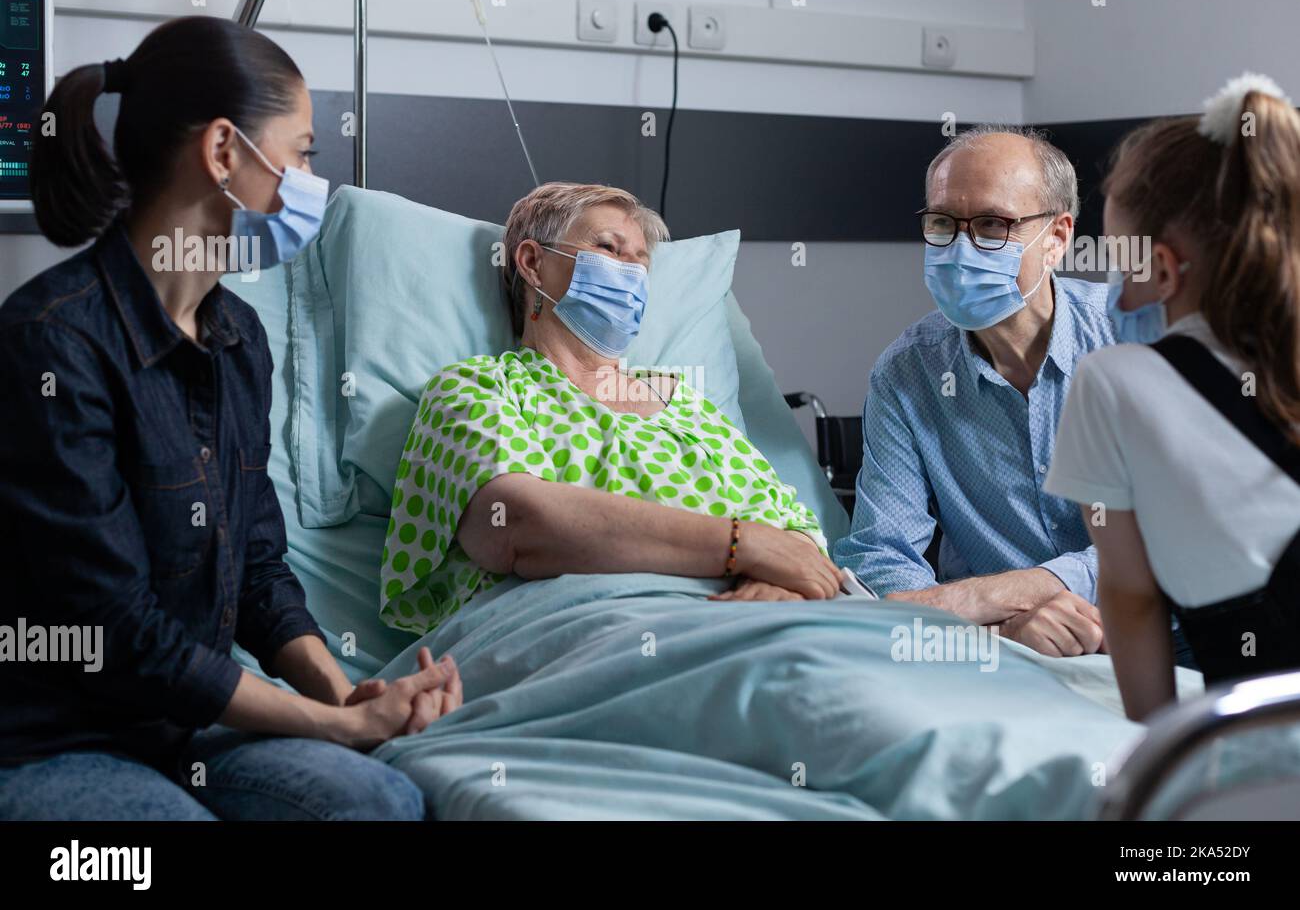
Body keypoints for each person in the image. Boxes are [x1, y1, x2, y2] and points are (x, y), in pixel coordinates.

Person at [0, 16, 460, 821]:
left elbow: (257, 566)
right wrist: (329, 725)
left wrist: (350, 695)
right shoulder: (53, 343)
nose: (312, 177)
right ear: (223, 153)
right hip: (48, 744)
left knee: (379, 803)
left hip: (182, 733)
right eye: (303, 150)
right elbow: (120, 633)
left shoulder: (237, 340)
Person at [379, 181, 846, 634]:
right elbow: (516, 524)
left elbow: (795, 526)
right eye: (609, 248)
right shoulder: (480, 388)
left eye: (641, 261)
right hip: (587, 631)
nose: (631, 272)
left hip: (759, 620)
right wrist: (743, 547)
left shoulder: (684, 403)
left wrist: (778, 575)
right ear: (532, 262)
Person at [1046, 74, 1300, 720]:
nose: (1111, 286)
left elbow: (1131, 600)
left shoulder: (1111, 381)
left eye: (1119, 261)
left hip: (1265, 758)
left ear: (1162, 270)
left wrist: (1156, 776)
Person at [833, 126, 1116, 657]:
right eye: (943, 223)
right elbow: (881, 566)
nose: (961, 248)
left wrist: (1012, 589)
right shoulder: (907, 374)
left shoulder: (1132, 338)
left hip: (1188, 645)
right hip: (1010, 658)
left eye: (992, 224)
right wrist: (999, 631)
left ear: (1057, 238)